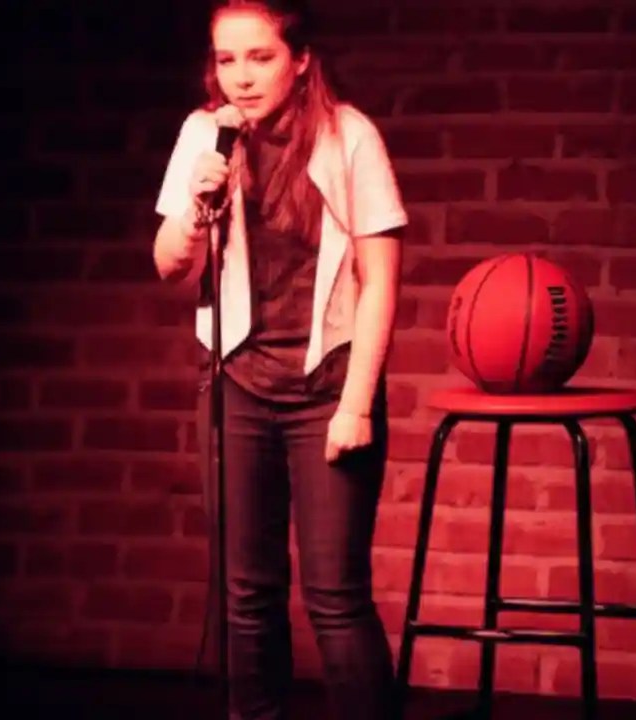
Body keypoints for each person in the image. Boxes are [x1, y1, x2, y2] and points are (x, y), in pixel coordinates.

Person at [151, 1, 407, 718]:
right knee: (246, 593)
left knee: (334, 596)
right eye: (226, 60)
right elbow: (170, 265)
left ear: (299, 61)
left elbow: (381, 278)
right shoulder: (205, 136)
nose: (241, 77)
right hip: (236, 385)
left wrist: (357, 404)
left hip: (328, 387)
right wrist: (198, 207)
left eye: (259, 57)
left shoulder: (348, 136)